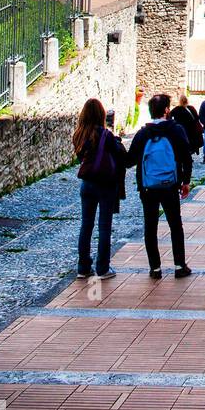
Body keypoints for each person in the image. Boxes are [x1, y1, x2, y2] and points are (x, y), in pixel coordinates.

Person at [126, 93, 193, 278]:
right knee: (175, 225)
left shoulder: (142, 134)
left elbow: (129, 160)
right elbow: (187, 158)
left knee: (150, 226)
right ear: (166, 110)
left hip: (148, 187)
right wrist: (186, 181)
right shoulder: (176, 130)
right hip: (170, 185)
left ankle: (155, 268)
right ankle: (180, 266)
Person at [74, 98, 126, 279]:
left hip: (87, 184)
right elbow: (121, 156)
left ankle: (83, 267)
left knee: (86, 225)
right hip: (105, 184)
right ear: (101, 114)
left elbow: (81, 159)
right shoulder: (105, 134)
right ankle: (103, 268)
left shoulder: (79, 134)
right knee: (104, 226)